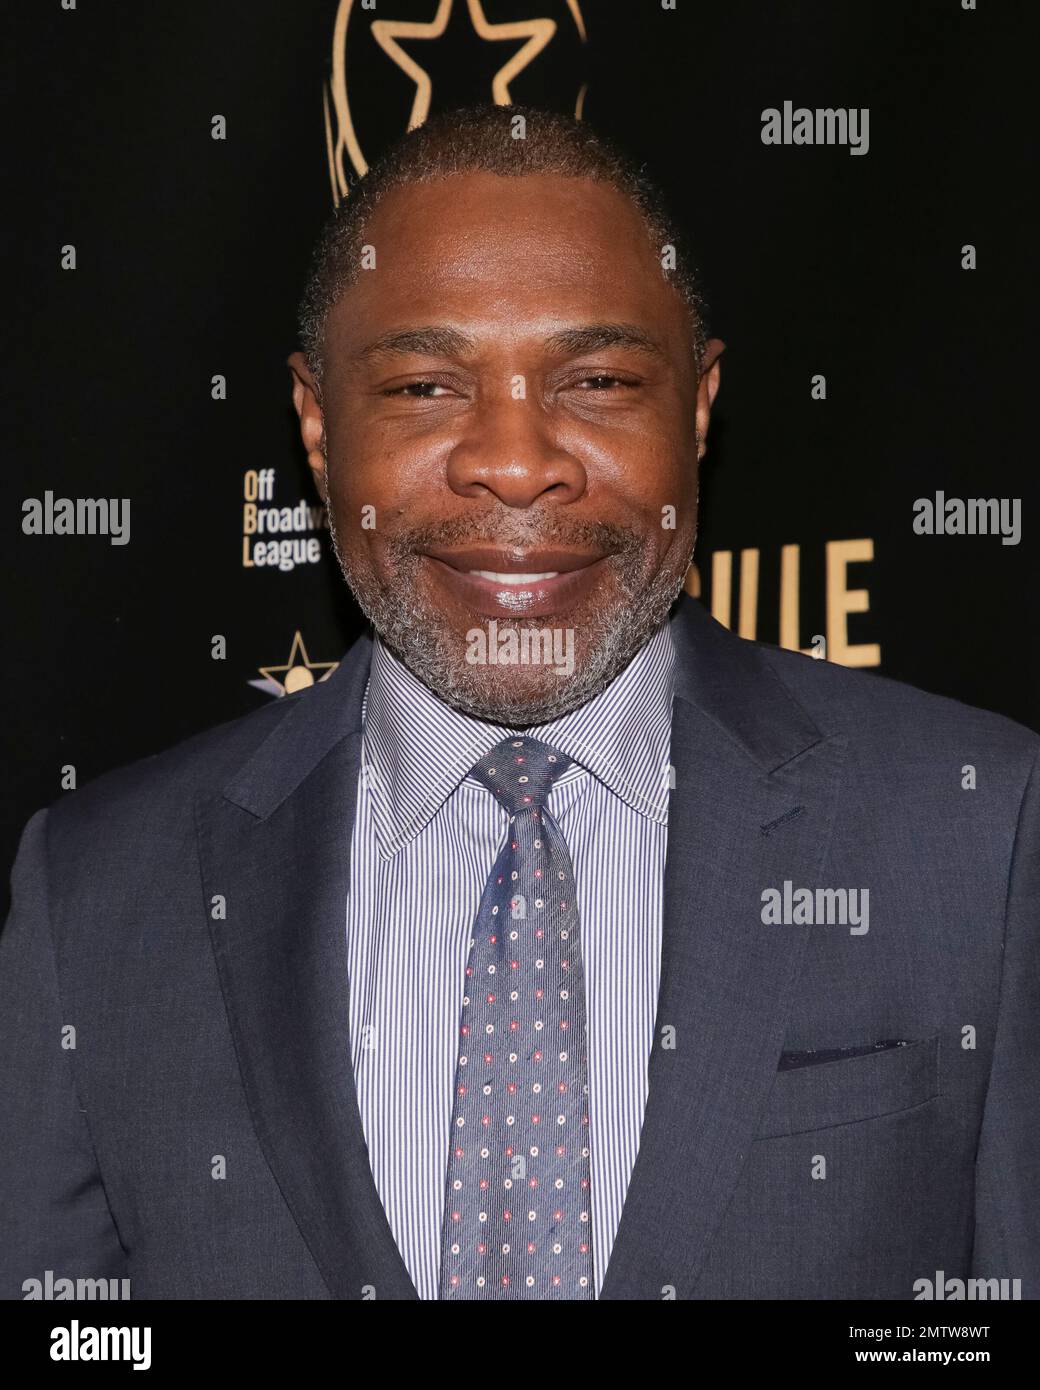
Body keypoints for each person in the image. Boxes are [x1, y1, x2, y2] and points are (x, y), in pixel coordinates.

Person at [2, 105, 1037, 1301]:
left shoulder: (976, 833)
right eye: (426, 386)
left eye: (595, 379)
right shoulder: (97, 895)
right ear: (315, 420)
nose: (513, 459)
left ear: (698, 405)